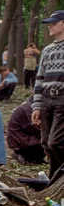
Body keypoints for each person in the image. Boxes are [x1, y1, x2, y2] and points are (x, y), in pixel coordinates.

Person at [31, 10, 64, 179]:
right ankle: (54, 175)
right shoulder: (48, 50)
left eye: (54, 22)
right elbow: (40, 79)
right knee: (45, 142)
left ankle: (58, 176)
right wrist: (36, 105)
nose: (50, 25)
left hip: (62, 99)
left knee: (55, 142)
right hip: (46, 99)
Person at [7, 100, 44, 164]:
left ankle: (36, 158)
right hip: (20, 140)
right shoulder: (30, 110)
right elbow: (37, 128)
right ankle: (22, 155)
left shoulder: (33, 106)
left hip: (26, 136)